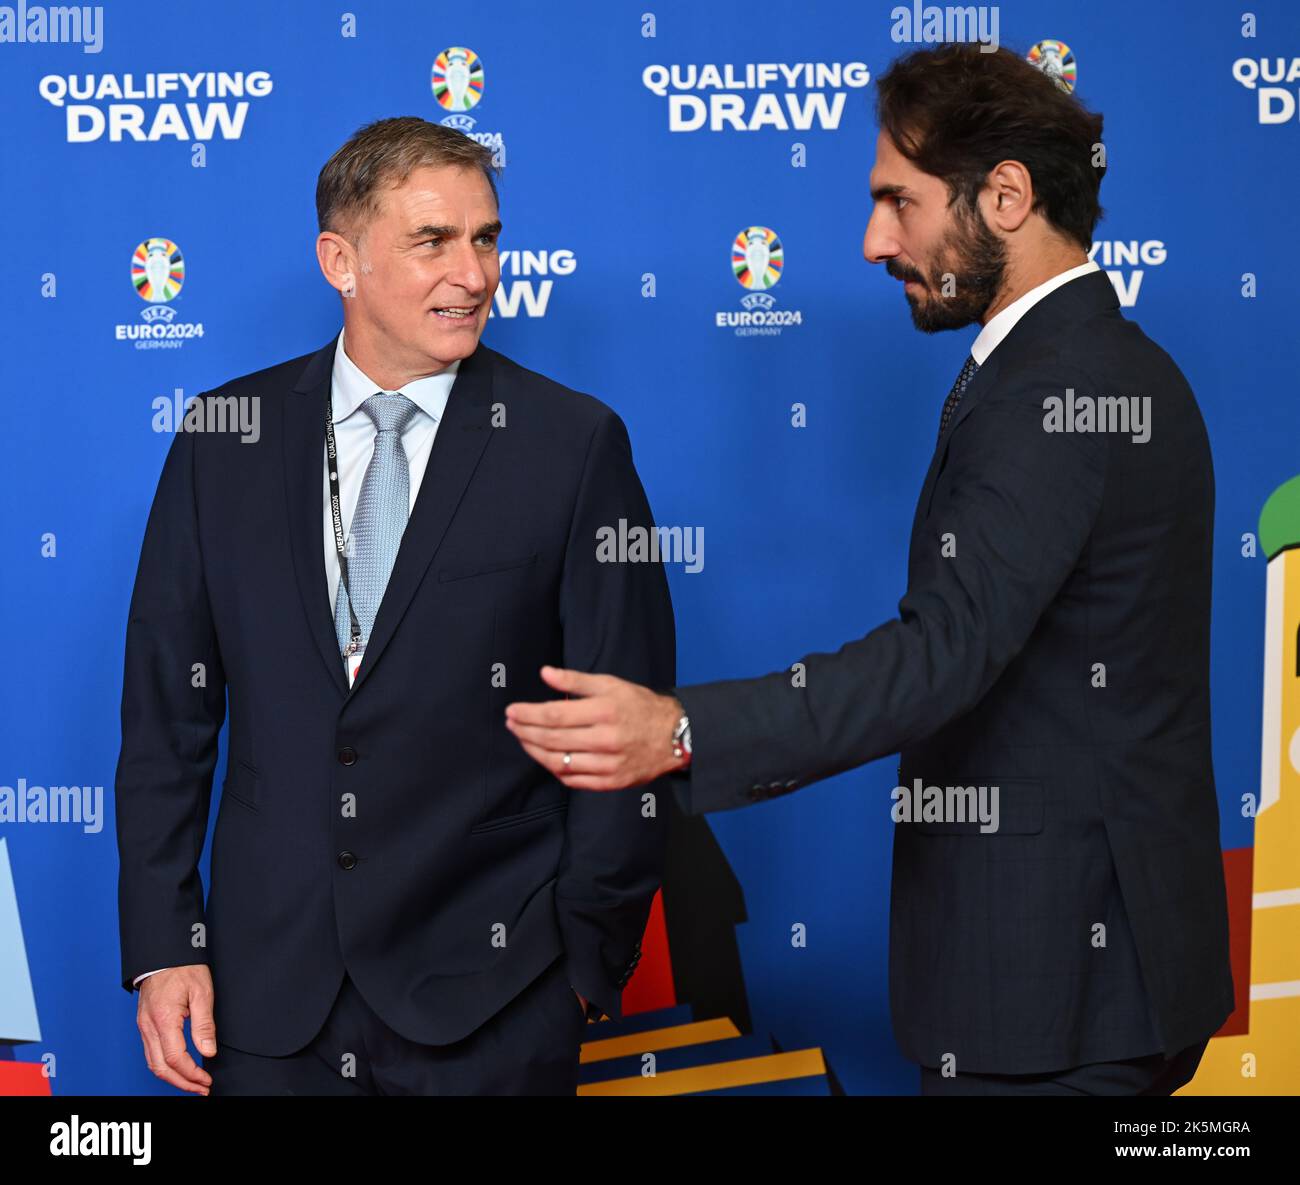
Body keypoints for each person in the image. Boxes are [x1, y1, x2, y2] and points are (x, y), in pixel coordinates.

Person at [503, 44, 1234, 1096]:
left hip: (1052, 997)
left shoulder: (1051, 394)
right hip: (1105, 975)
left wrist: (678, 730)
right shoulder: (1110, 365)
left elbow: (941, 656)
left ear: (1006, 196)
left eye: (898, 200)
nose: (871, 240)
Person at [115, 117, 675, 1096]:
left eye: (487, 237)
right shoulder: (221, 439)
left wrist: (585, 960)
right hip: (270, 1000)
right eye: (433, 242)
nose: (474, 272)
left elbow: (626, 725)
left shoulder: (570, 445)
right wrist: (166, 946)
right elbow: (167, 721)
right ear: (341, 259)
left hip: (494, 999)